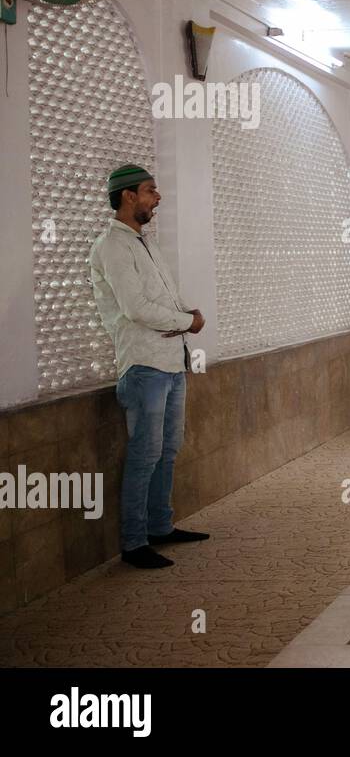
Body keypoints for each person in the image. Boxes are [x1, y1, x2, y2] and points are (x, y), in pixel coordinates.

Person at [88, 164, 210, 569]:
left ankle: (160, 526)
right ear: (128, 197)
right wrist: (186, 321)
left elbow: (163, 300)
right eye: (150, 191)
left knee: (168, 450)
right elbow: (135, 308)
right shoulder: (112, 247)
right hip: (143, 366)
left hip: (171, 362)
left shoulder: (144, 243)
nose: (157, 198)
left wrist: (184, 313)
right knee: (145, 453)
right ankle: (134, 542)